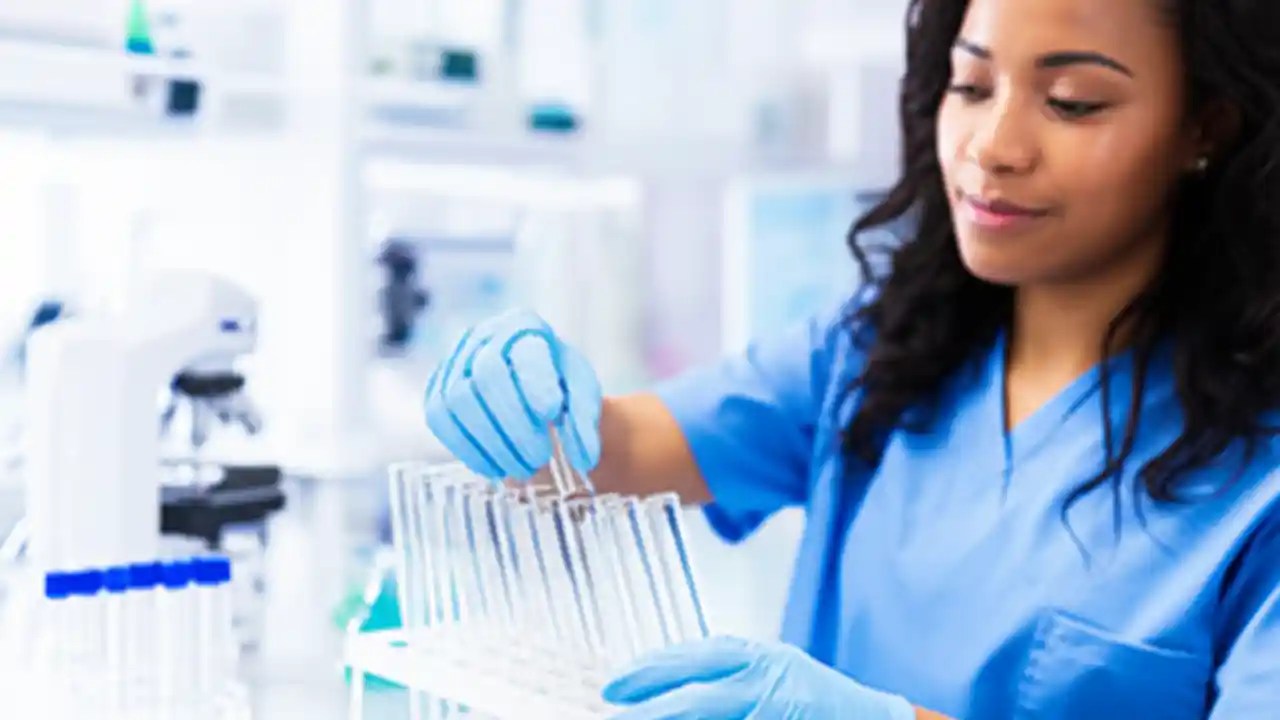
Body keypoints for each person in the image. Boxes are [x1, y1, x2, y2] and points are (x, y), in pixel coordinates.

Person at [423, 0, 1280, 716]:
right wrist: (523, 402)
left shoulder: (1260, 491)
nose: (992, 146)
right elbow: (607, 454)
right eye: (971, 85)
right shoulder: (878, 354)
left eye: (1071, 101)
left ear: (1204, 124)